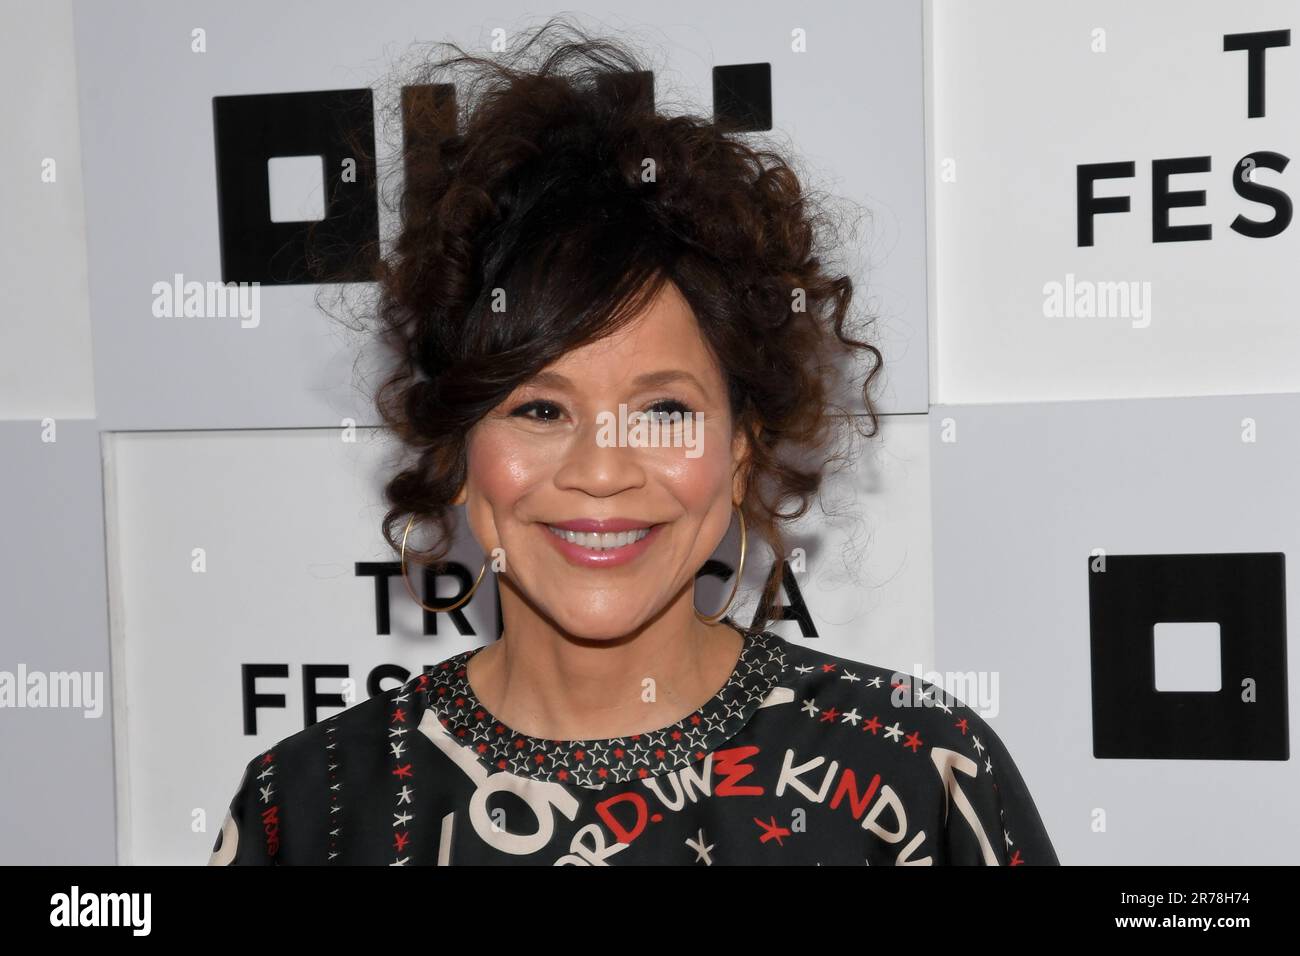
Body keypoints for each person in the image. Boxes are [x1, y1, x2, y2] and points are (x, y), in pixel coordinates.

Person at [209, 17, 1058, 866]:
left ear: (741, 450)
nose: (602, 472)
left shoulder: (917, 774)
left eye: (664, 410)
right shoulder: (312, 810)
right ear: (457, 454)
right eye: (540, 410)